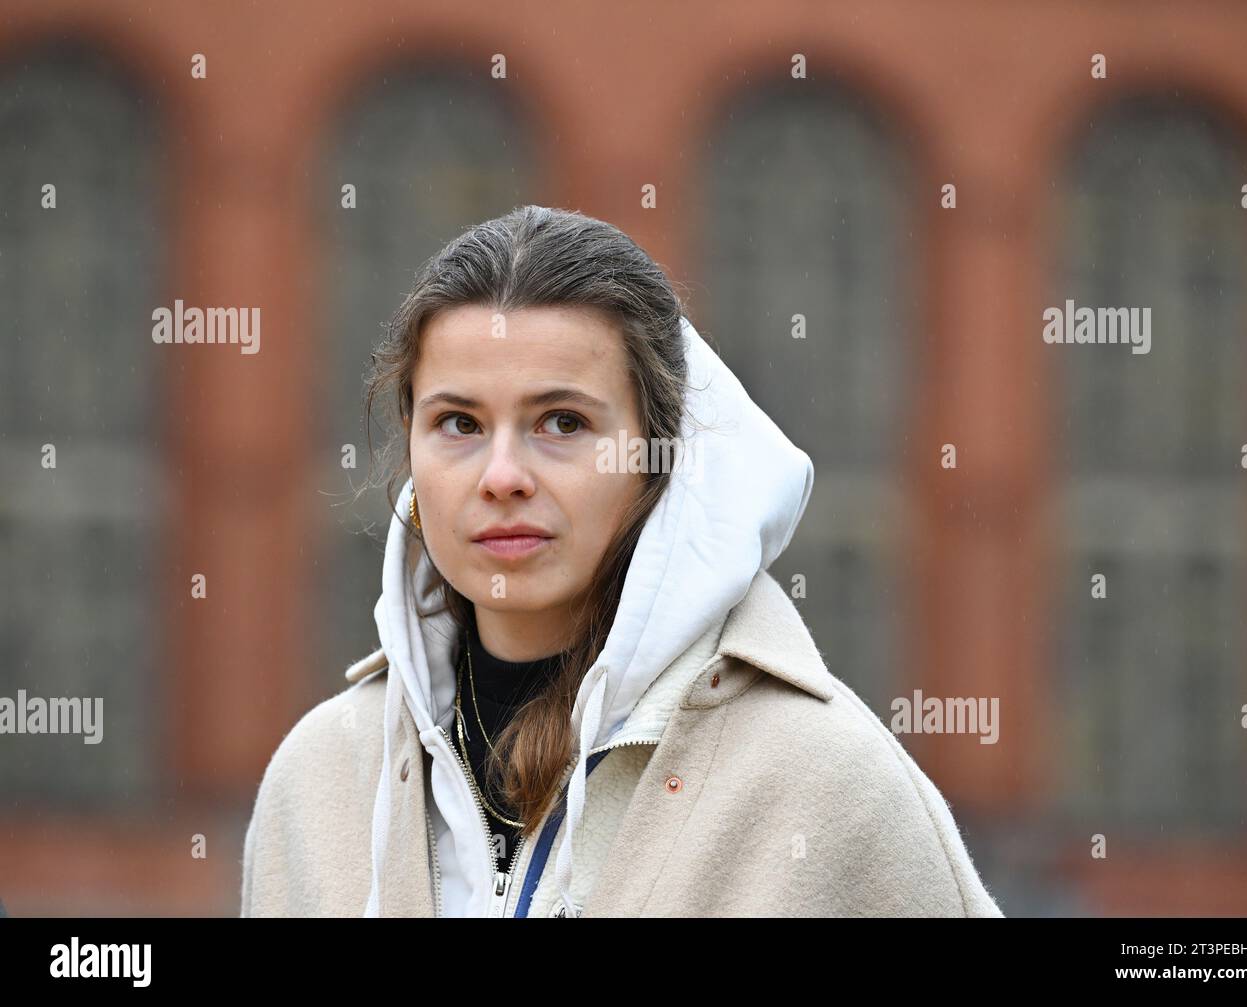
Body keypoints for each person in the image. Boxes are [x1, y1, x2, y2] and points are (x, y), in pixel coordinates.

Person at [239, 204, 1003, 918]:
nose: (502, 475)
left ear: (658, 454)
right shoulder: (320, 781)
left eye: (562, 421)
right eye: (460, 422)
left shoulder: (822, 782)